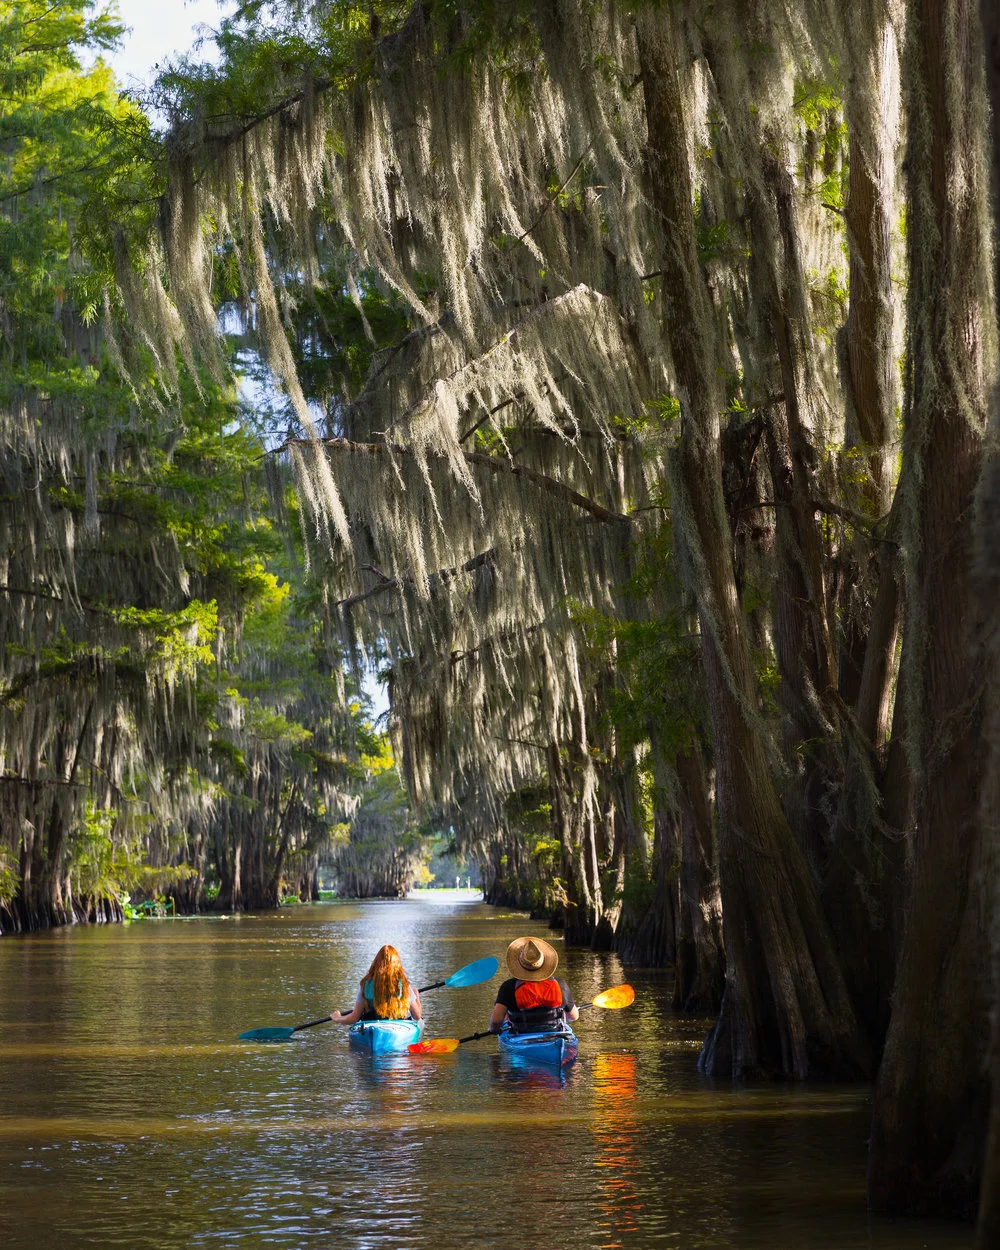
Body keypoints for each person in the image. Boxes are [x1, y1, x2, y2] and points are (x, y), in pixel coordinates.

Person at [488, 936, 579, 1035]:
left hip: (521, 1037)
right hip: (554, 1036)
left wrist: (493, 1029)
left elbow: (496, 1021)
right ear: (543, 962)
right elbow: (573, 1016)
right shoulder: (560, 985)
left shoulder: (508, 987)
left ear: (519, 963)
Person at [330, 944, 422, 1025]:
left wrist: (338, 1018)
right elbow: (417, 1016)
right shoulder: (404, 984)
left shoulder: (365, 983)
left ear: (376, 962)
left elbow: (354, 1018)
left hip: (372, 1025)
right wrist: (416, 996)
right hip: (398, 1026)